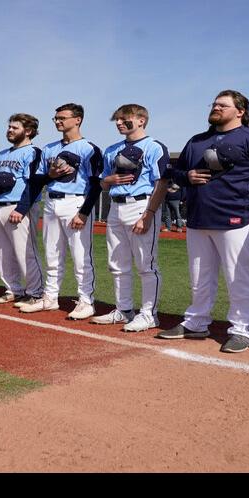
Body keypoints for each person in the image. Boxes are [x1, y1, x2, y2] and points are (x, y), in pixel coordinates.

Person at [156, 90, 249, 353]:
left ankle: (242, 328)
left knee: (239, 276)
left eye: (222, 105)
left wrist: (245, 196)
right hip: (199, 217)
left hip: (237, 218)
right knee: (199, 276)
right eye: (214, 104)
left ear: (240, 111)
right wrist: (187, 175)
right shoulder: (197, 140)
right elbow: (175, 173)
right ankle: (196, 322)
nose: (216, 107)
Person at [18, 103, 102, 319]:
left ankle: (86, 301)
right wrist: (51, 176)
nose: (57, 121)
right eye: (55, 118)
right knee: (52, 255)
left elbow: (95, 184)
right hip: (51, 202)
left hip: (76, 203)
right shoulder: (48, 148)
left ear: (78, 120)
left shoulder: (88, 148)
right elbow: (37, 179)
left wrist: (84, 212)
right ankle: (50, 298)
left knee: (81, 257)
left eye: (62, 118)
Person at [89, 103, 169, 332]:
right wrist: (109, 181)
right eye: (117, 119)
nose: (119, 123)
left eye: (125, 119)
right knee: (117, 263)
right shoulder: (112, 149)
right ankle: (123, 310)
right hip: (115, 206)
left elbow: (161, 183)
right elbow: (103, 181)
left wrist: (149, 214)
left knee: (146, 263)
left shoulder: (154, 146)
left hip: (141, 205)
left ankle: (149, 314)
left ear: (141, 120)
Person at [0, 113, 45, 307]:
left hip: (19, 207)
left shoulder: (33, 152)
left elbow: (34, 184)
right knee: (3, 253)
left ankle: (36, 293)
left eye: (15, 128)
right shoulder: (2, 154)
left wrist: (22, 209)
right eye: (9, 127)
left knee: (25, 252)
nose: (10, 130)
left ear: (28, 131)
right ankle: (13, 289)